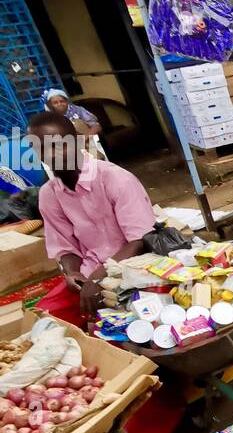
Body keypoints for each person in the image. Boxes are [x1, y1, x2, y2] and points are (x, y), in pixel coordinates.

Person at [27, 111, 157, 324]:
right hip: (89, 275)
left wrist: (99, 277)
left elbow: (140, 240)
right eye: (42, 148)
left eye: (59, 145)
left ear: (77, 142)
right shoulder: (48, 194)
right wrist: (74, 273)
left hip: (136, 267)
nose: (52, 154)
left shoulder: (115, 178)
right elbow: (66, 248)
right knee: (43, 321)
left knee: (131, 328)